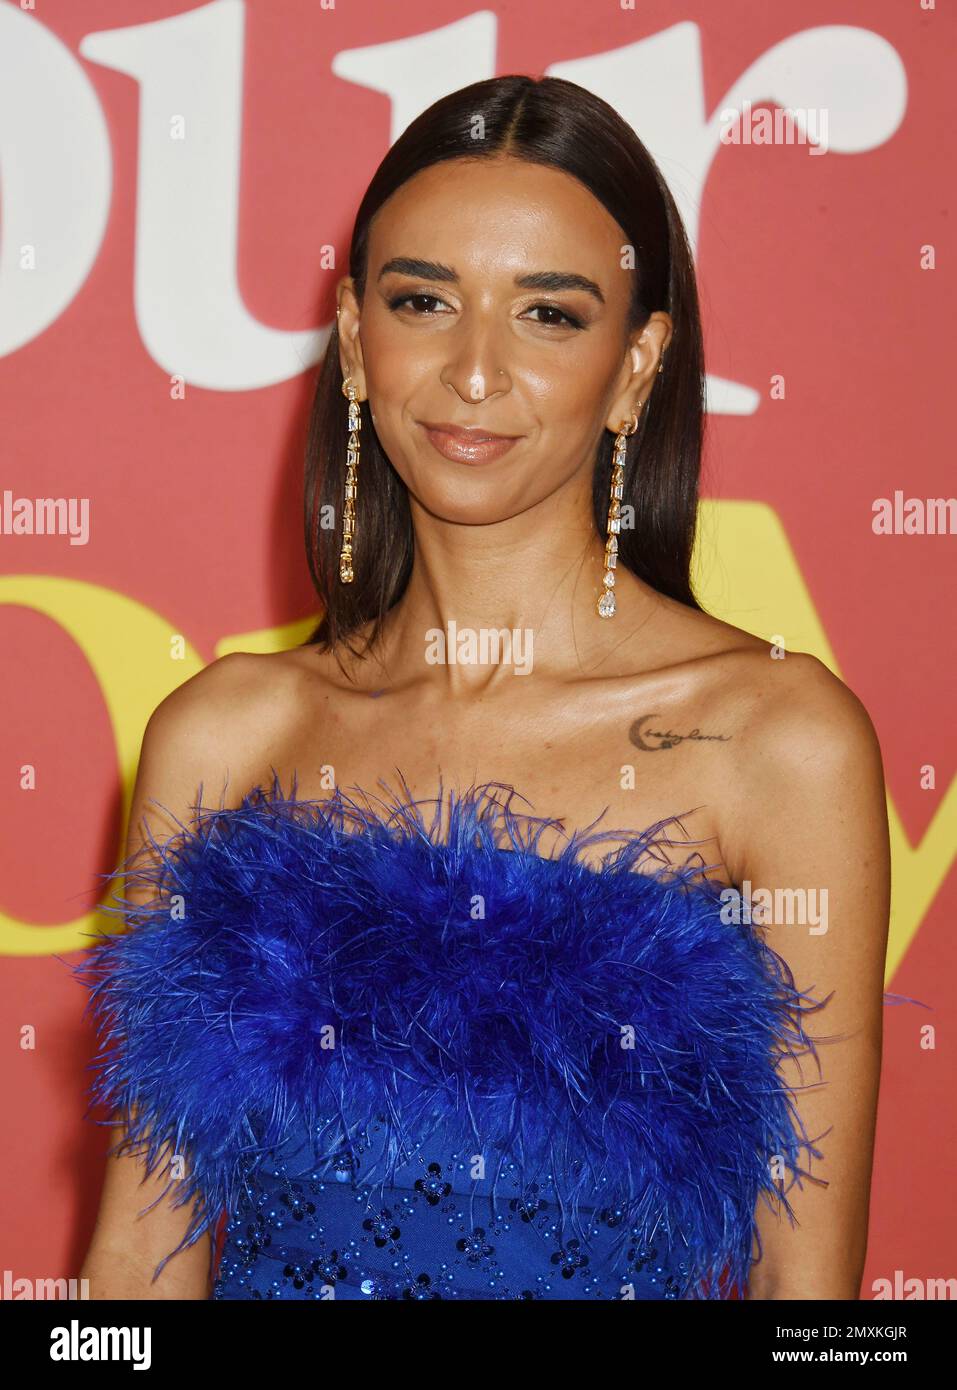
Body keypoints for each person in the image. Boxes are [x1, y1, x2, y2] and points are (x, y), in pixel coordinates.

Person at [73, 75, 890, 1301]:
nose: (471, 372)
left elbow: (810, 1301)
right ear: (356, 341)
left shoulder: (775, 740)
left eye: (550, 315)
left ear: (637, 365)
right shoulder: (226, 735)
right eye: (422, 302)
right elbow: (137, 1264)